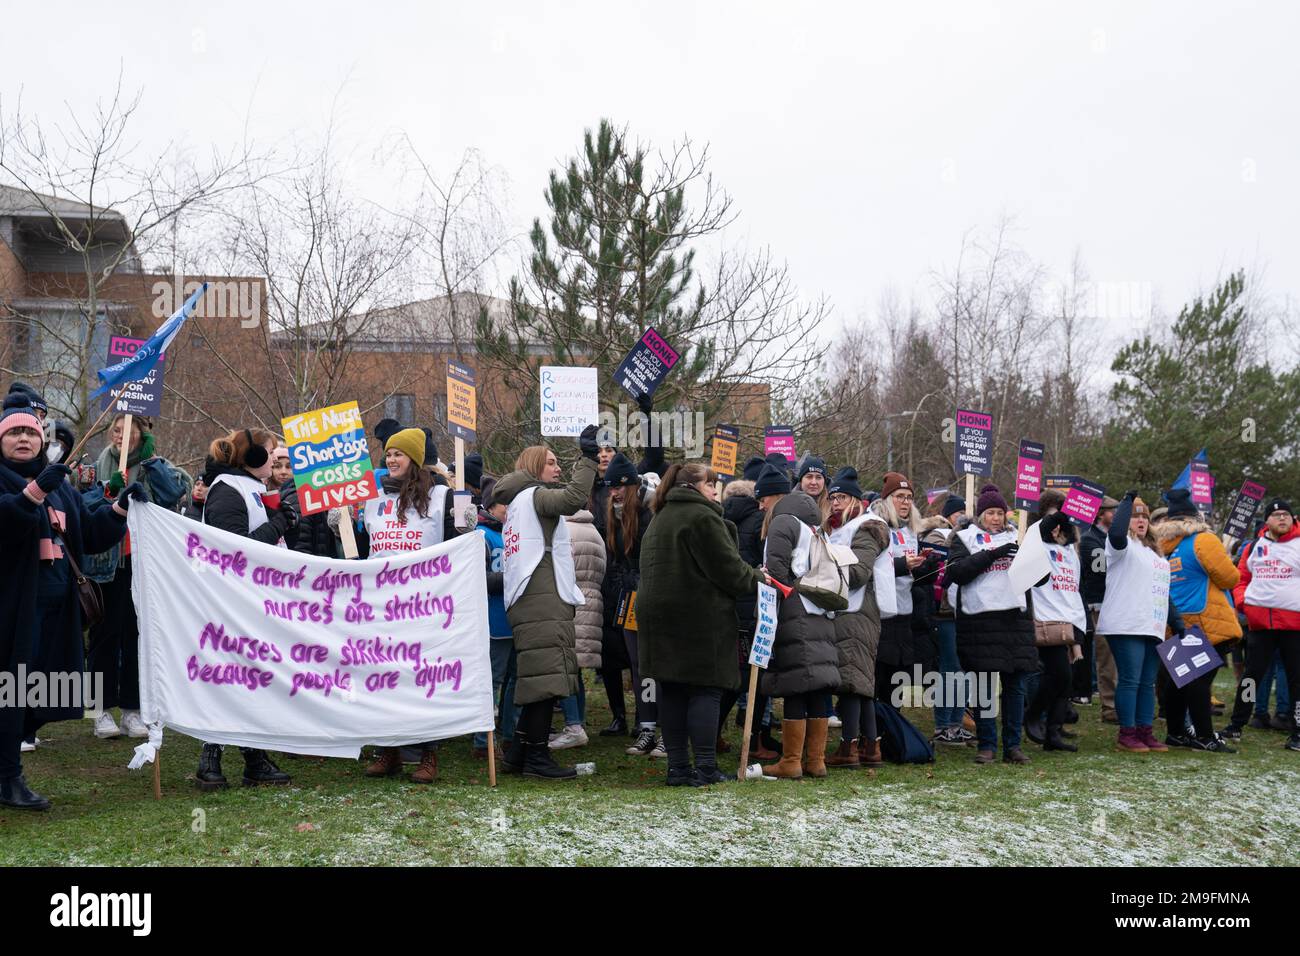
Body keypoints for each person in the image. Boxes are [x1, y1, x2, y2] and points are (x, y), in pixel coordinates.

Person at [1, 396, 134, 810]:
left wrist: (118, 510)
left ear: (42, 440)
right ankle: (8, 779)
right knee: (12, 693)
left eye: (30, 432)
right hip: (13, 611)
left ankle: (10, 760)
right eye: (13, 433)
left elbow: (88, 535)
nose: (23, 439)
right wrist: (34, 492)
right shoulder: (20, 482)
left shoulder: (61, 487)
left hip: (60, 612)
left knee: (46, 695)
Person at [637, 463, 768, 785]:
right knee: (705, 689)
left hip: (658, 616)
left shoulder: (660, 516)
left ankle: (678, 768)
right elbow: (731, 573)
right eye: (710, 483)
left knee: (673, 690)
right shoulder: (703, 517)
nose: (715, 489)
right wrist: (759, 577)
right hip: (697, 617)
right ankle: (706, 768)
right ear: (693, 486)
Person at [495, 425, 601, 780]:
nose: (558, 468)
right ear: (535, 467)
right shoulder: (536, 497)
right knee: (548, 680)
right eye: (552, 463)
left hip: (529, 598)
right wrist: (588, 458)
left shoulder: (516, 505)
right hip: (542, 597)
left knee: (540, 679)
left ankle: (521, 754)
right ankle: (538, 760)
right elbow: (573, 499)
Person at [194, 427, 298, 789]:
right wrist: (281, 522)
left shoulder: (250, 489)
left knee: (251, 677)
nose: (274, 460)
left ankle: (254, 757)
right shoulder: (227, 489)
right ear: (253, 458)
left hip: (256, 601)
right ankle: (211, 757)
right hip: (233, 603)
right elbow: (236, 551)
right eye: (270, 453)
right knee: (228, 675)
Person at [359, 427, 461, 783]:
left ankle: (428, 754)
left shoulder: (442, 497)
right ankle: (389, 750)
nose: (391, 459)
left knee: (422, 679)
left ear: (415, 459)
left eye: (398, 454)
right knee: (386, 678)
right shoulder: (372, 498)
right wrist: (338, 524)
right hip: (381, 605)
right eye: (388, 454)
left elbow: (461, 542)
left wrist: (467, 519)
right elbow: (359, 548)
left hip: (423, 604)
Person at [84, 413, 191, 740]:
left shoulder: (156, 463)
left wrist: (151, 463)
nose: (120, 436)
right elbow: (83, 508)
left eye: (128, 431)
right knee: (105, 636)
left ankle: (132, 709)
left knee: (137, 635)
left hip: (143, 562)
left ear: (142, 435)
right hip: (106, 563)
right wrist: (106, 491)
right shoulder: (99, 465)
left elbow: (174, 493)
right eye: (116, 430)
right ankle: (99, 710)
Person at [945, 484, 1037, 764]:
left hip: (1014, 621)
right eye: (990, 513)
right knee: (984, 687)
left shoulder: (1020, 537)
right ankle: (986, 744)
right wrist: (993, 554)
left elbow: (1040, 579)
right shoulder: (965, 538)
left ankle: (1012, 744)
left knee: (1015, 687)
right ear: (981, 516)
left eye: (1000, 513)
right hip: (980, 622)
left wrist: (1029, 558)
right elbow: (957, 572)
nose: (996, 518)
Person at [758, 476, 841, 779]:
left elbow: (777, 570)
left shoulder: (783, 524)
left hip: (795, 611)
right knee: (817, 685)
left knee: (795, 683)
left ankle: (791, 761)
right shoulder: (818, 531)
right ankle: (815, 760)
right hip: (821, 611)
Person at [1152, 489, 1241, 751]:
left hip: (1175, 617)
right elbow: (1229, 578)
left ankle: (1176, 732)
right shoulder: (1203, 540)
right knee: (1200, 680)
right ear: (1195, 517)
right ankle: (1205, 736)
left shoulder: (1162, 546)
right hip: (1206, 618)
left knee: (1181, 679)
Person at [1095, 492, 1184, 753]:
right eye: (1135, 516)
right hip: (1125, 623)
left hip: (1152, 624)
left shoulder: (1156, 554)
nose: (1141, 520)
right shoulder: (1120, 547)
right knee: (1131, 679)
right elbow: (1117, 532)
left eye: (1145, 516)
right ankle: (1127, 733)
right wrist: (1126, 503)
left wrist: (1176, 621)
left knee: (1148, 682)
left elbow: (1162, 591)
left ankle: (1145, 731)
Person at [823, 467, 890, 768]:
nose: (835, 503)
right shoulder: (845, 527)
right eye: (832, 497)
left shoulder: (865, 527)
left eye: (842, 497)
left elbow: (859, 573)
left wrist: (820, 573)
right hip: (851, 609)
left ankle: (848, 748)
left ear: (857, 500)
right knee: (860, 681)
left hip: (857, 609)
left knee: (851, 680)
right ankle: (870, 747)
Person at [596, 453, 661, 752]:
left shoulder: (649, 514)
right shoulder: (613, 515)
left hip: (649, 597)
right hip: (627, 599)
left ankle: (660, 728)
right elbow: (617, 561)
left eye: (619, 486)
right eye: (610, 487)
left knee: (652, 664)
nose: (614, 493)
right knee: (637, 665)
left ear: (632, 486)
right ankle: (645, 727)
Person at [1224, 498, 1300, 751]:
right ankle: (1236, 724)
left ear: (1293, 519)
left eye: (1286, 515)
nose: (1282, 518)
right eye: (1276, 514)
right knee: (1251, 678)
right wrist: (1242, 602)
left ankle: (1297, 731)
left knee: (1296, 680)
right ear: (1266, 520)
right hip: (1260, 625)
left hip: (1294, 626)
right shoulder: (1253, 546)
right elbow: (1240, 578)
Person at [869, 472, 941, 708]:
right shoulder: (875, 526)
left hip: (905, 614)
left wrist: (926, 568)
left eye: (909, 497)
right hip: (881, 613)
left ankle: (892, 735)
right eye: (900, 496)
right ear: (888, 499)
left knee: (897, 682)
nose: (906, 502)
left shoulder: (910, 531)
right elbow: (869, 568)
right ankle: (871, 736)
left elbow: (911, 577)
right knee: (878, 680)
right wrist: (903, 565)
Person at [719, 475, 779, 758]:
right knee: (758, 676)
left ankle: (713, 733)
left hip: (733, 605)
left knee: (735, 678)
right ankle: (755, 741)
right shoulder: (760, 521)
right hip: (758, 605)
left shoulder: (721, 519)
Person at [1024, 509, 1086, 753]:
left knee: (1066, 682)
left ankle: (1053, 733)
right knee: (1060, 676)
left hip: (1069, 619)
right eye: (1056, 524)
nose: (1057, 529)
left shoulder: (1070, 552)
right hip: (1046, 619)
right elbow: (1041, 529)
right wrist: (1064, 512)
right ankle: (1033, 714)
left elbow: (1075, 589)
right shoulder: (1037, 545)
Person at [550, 507, 605, 750]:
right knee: (577, 671)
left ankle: (573, 725)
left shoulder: (563, 531)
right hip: (592, 603)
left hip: (569, 602)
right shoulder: (595, 532)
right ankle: (578, 722)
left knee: (565, 668)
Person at [471, 479, 518, 759]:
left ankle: (510, 735)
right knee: (492, 681)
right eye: (505, 504)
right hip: (493, 620)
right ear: (490, 506)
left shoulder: (511, 533)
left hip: (515, 619)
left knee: (516, 680)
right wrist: (514, 577)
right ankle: (482, 741)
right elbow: (479, 577)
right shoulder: (481, 535)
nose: (509, 510)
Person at [924, 494, 974, 744]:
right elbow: (939, 564)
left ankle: (957, 722)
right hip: (943, 613)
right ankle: (943, 724)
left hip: (963, 612)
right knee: (949, 670)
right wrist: (958, 534)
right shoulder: (936, 533)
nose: (963, 516)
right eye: (959, 512)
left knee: (962, 670)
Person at [1078, 496, 1120, 717]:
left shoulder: (1118, 537)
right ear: (1100, 514)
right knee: (1106, 657)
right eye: (1112, 511)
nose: (1117, 515)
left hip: (1118, 602)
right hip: (1100, 603)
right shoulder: (1089, 539)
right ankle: (1110, 705)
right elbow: (1101, 571)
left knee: (1118, 657)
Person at [797, 455, 830, 523]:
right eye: (809, 477)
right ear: (801, 480)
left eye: (818, 477)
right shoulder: (789, 504)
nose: (814, 482)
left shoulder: (834, 507)